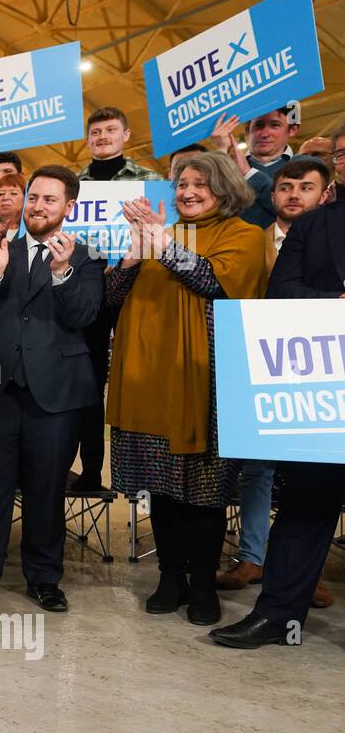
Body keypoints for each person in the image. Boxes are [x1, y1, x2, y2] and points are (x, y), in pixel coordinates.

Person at [107, 152, 267, 626]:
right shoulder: (163, 236)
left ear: (226, 190)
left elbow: (212, 281)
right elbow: (111, 300)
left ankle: (202, 582)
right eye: (182, 185)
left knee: (204, 492)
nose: (188, 192)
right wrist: (134, 258)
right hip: (149, 382)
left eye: (201, 184)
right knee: (161, 488)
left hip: (205, 383)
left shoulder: (247, 236)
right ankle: (169, 576)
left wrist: (160, 242)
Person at [0, 166, 102, 614]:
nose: (38, 206)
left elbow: (84, 317)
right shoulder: (0, 249)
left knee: (46, 490)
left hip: (54, 396)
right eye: (34, 197)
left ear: (68, 207)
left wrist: (61, 273)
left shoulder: (87, 257)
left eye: (49, 200)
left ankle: (43, 577)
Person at [210, 200, 345, 648]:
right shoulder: (313, 224)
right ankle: (277, 616)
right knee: (304, 506)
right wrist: (335, 302)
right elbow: (281, 291)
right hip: (320, 391)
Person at [73, 108, 164, 492]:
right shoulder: (73, 184)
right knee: (87, 386)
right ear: (89, 138)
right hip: (88, 292)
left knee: (137, 383)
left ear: (126, 135)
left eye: (111, 130)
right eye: (96, 131)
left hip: (136, 293)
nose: (103, 136)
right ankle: (91, 471)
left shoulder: (150, 182)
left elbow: (164, 238)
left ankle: (145, 480)